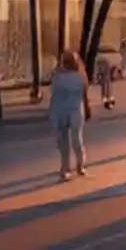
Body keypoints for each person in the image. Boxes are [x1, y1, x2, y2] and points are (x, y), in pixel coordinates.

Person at [48, 51, 92, 181]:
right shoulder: (58, 75)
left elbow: (84, 94)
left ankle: (77, 165)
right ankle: (67, 167)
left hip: (72, 110)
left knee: (73, 141)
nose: (67, 63)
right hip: (62, 110)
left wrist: (87, 107)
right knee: (66, 142)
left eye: (69, 60)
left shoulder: (79, 76)